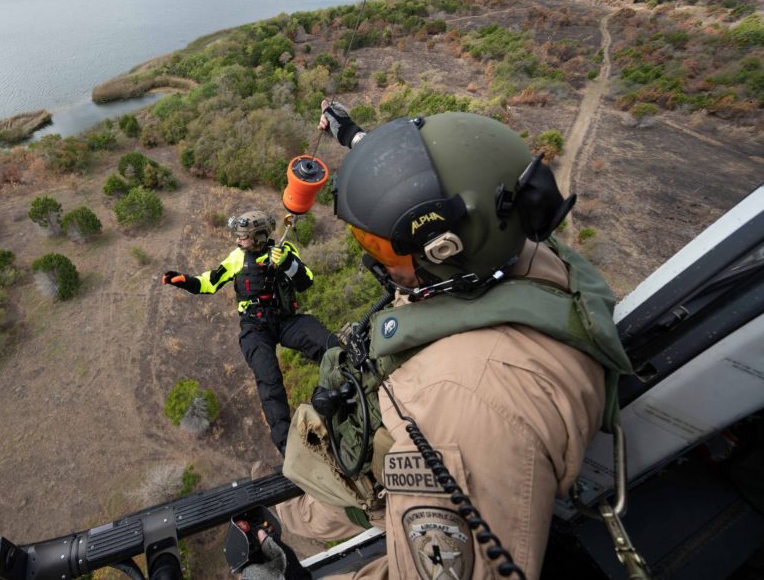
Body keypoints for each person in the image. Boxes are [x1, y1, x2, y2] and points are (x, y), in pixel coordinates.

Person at [242, 103, 633, 579]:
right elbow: (453, 183)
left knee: (302, 517)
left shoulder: (457, 414)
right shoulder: (511, 243)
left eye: (382, 248)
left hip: (380, 474)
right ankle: (287, 522)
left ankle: (287, 526)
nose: (375, 262)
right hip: (391, 437)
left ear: (442, 249)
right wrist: (354, 138)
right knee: (298, 509)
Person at [162, 210, 336, 456]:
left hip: (286, 320)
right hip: (255, 328)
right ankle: (287, 445)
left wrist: (287, 262)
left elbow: (306, 280)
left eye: (243, 237)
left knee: (327, 343)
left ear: (260, 236)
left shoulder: (285, 251)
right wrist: (184, 281)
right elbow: (209, 282)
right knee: (269, 379)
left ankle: (341, 390)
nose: (238, 241)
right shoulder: (237, 258)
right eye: (239, 236)